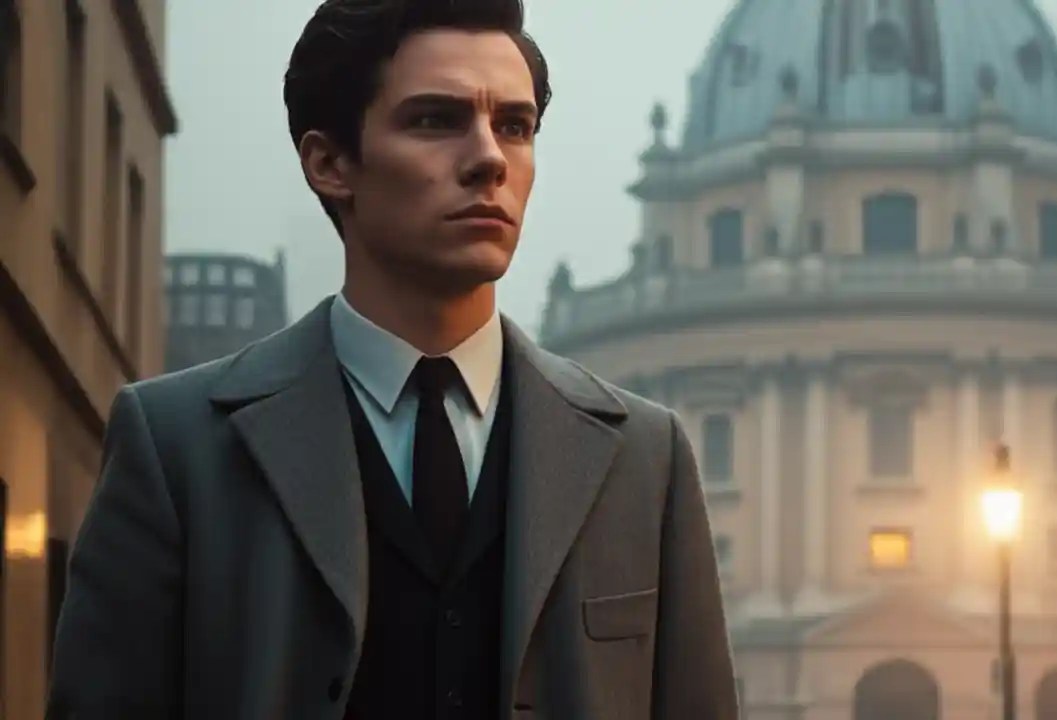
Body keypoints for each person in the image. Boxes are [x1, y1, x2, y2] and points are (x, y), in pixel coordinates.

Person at [46, 0, 738, 717]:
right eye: (435, 120)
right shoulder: (176, 447)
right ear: (330, 163)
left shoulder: (644, 457)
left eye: (514, 126)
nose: (489, 160)